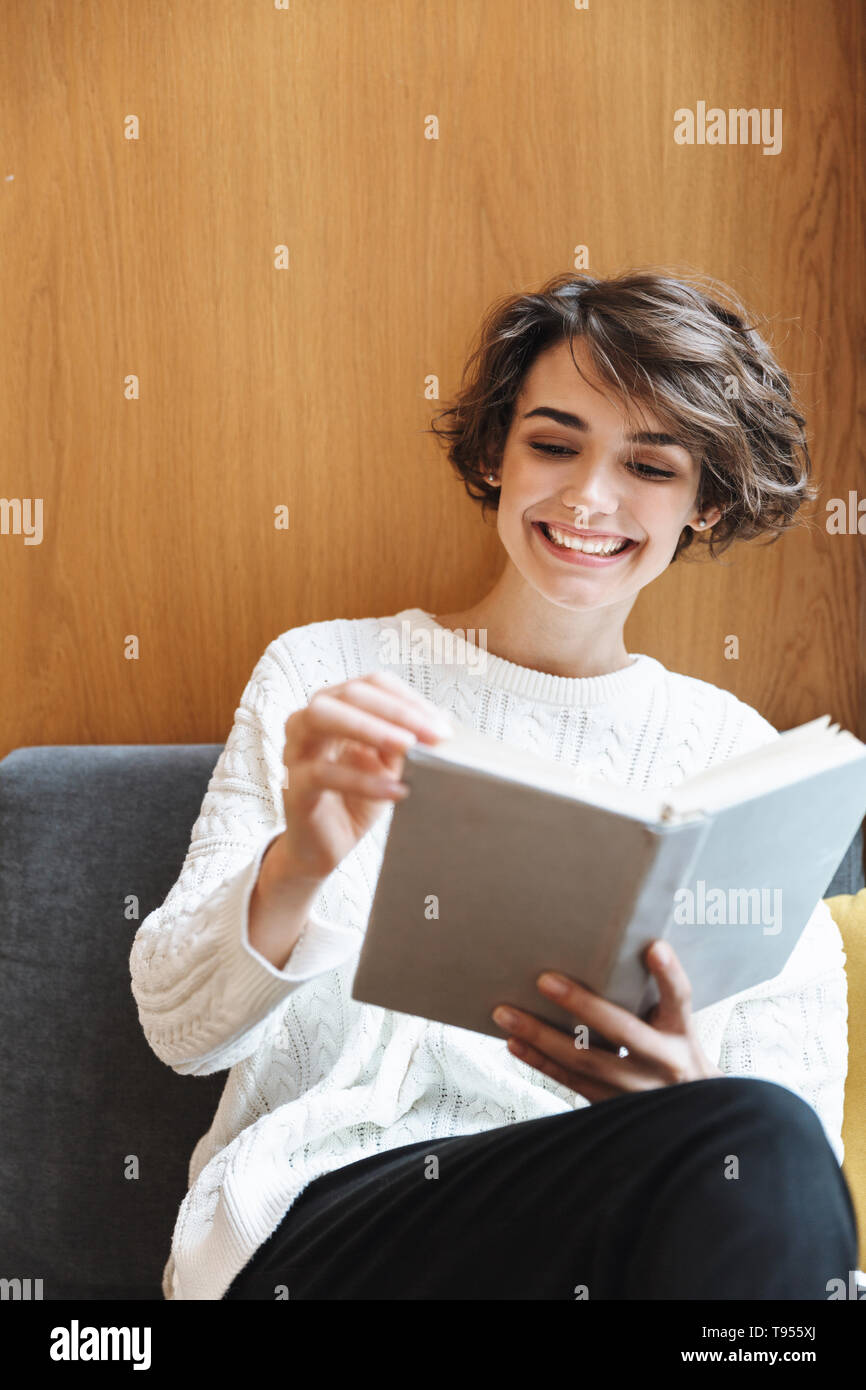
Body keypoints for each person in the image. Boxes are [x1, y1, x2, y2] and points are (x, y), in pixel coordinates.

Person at [130, 269, 858, 1301]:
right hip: (325, 1226)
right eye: (552, 443)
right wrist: (297, 863)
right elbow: (178, 1029)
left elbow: (791, 1173)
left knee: (758, 1136)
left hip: (602, 1233)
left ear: (702, 504)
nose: (587, 499)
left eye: (647, 465)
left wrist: (680, 1090)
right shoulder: (326, 677)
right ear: (494, 454)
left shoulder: (739, 759)